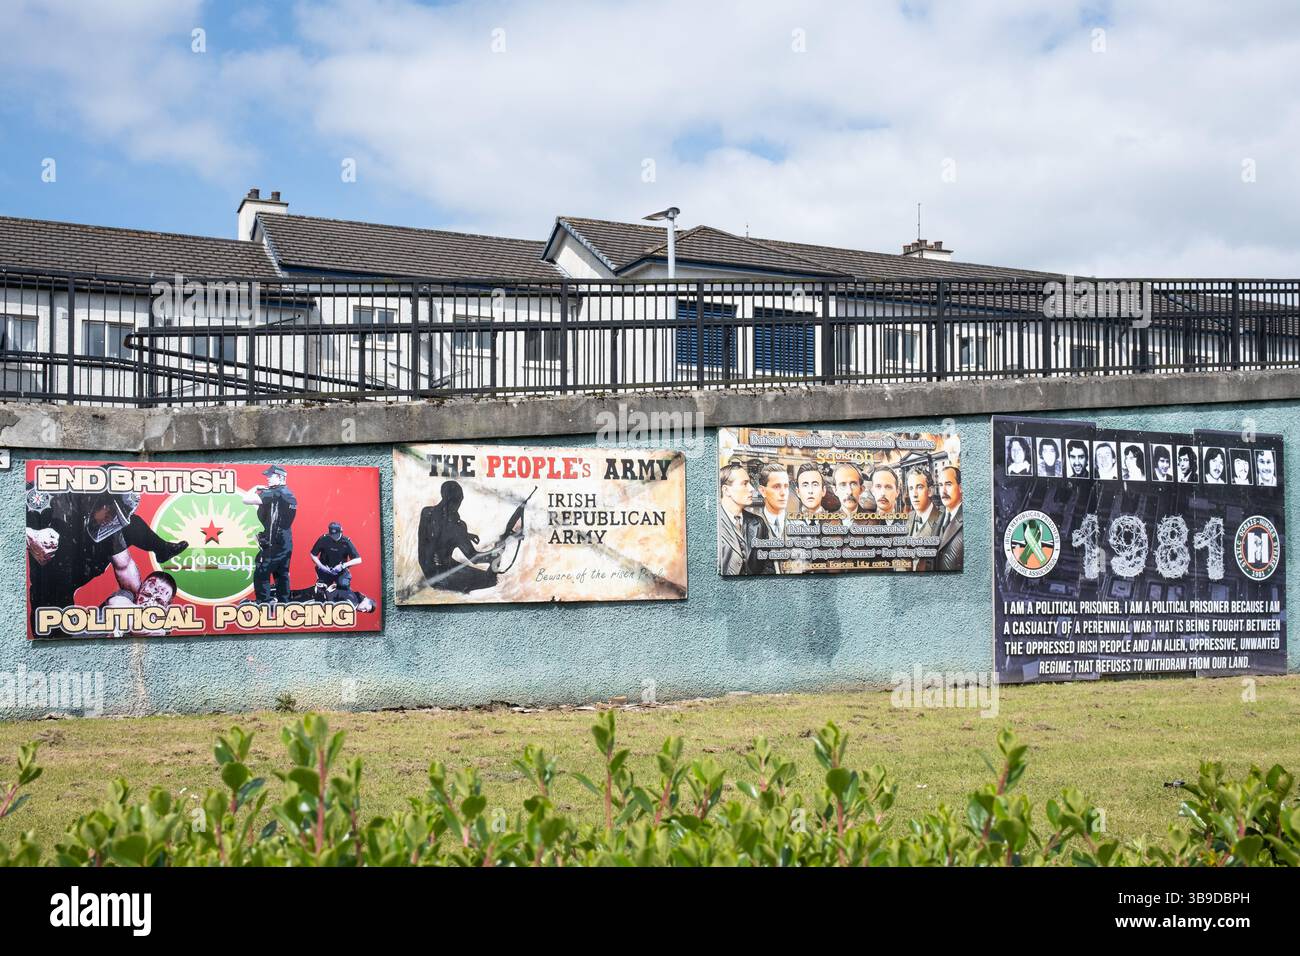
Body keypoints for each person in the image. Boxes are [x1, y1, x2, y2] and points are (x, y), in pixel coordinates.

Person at [27, 479, 144, 638]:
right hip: (45, 603)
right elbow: (8, 517)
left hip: (67, 609)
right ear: (100, 498)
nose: (110, 520)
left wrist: (144, 609)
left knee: (127, 597)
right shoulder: (52, 496)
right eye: (110, 512)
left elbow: (125, 567)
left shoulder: (108, 530)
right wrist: (30, 535)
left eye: (117, 517)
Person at [417, 480, 502, 593]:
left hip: (427, 569)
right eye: (460, 500)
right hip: (441, 577)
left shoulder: (426, 512)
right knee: (490, 579)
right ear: (457, 501)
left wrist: (466, 535)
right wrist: (495, 554)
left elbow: (438, 535)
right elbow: (474, 558)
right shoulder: (457, 528)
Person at [244, 465, 297, 602]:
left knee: (262, 573)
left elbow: (246, 499)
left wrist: (255, 488)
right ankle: (284, 603)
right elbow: (272, 512)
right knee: (282, 574)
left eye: (270, 476)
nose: (267, 478)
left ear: (279, 477)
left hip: (273, 542)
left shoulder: (274, 493)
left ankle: (263, 603)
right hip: (286, 542)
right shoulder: (289, 493)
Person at [717, 462, 766, 575]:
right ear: (726, 490)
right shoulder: (713, 522)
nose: (752, 489)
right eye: (744, 484)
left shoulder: (758, 523)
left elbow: (767, 565)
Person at [102, 570, 177, 637]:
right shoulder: (126, 595)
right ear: (139, 591)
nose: (149, 603)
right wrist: (162, 631)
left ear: (166, 608)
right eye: (146, 595)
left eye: (158, 601)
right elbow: (116, 604)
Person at [748, 463, 791, 574]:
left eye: (786, 486)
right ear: (762, 491)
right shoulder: (751, 527)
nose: (783, 493)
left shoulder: (799, 525)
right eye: (777, 487)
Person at [904, 468, 942, 571]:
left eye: (919, 487)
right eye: (911, 488)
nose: (914, 494)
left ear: (930, 491)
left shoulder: (943, 521)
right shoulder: (907, 518)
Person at [311, 521, 362, 592]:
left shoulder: (346, 542)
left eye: (336, 534)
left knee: (343, 586)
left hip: (340, 571)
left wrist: (343, 566)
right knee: (320, 590)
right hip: (325, 570)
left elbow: (358, 559)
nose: (334, 536)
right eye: (332, 534)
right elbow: (313, 554)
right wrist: (322, 567)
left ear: (341, 531)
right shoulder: (324, 539)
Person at [935, 465, 963, 572]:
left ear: (961, 488)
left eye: (948, 484)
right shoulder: (938, 518)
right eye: (941, 485)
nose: (943, 491)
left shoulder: (970, 519)